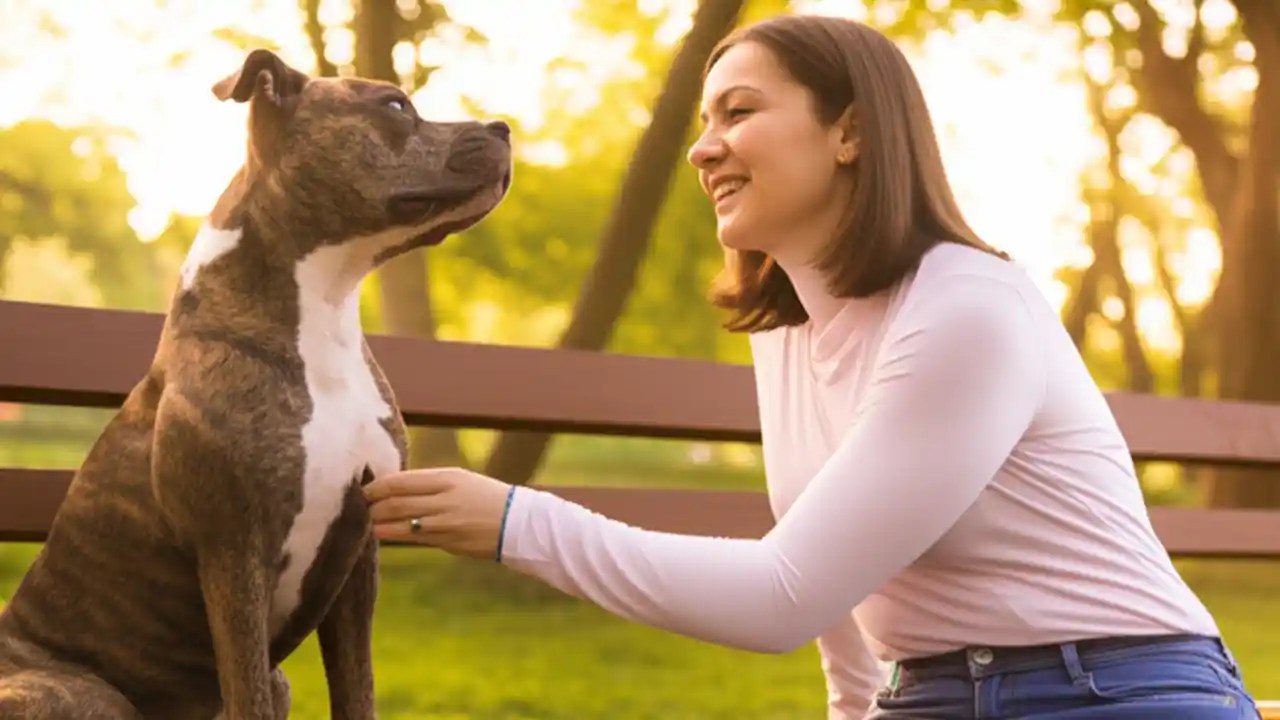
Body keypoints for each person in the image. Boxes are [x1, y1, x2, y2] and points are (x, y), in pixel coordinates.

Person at [362, 14, 1261, 719]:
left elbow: (782, 594)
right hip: (926, 701)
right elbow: (845, 620)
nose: (701, 147)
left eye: (740, 112)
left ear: (851, 133)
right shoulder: (788, 331)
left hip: (1109, 692)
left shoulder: (969, 308)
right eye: (703, 120)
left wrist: (519, 521)